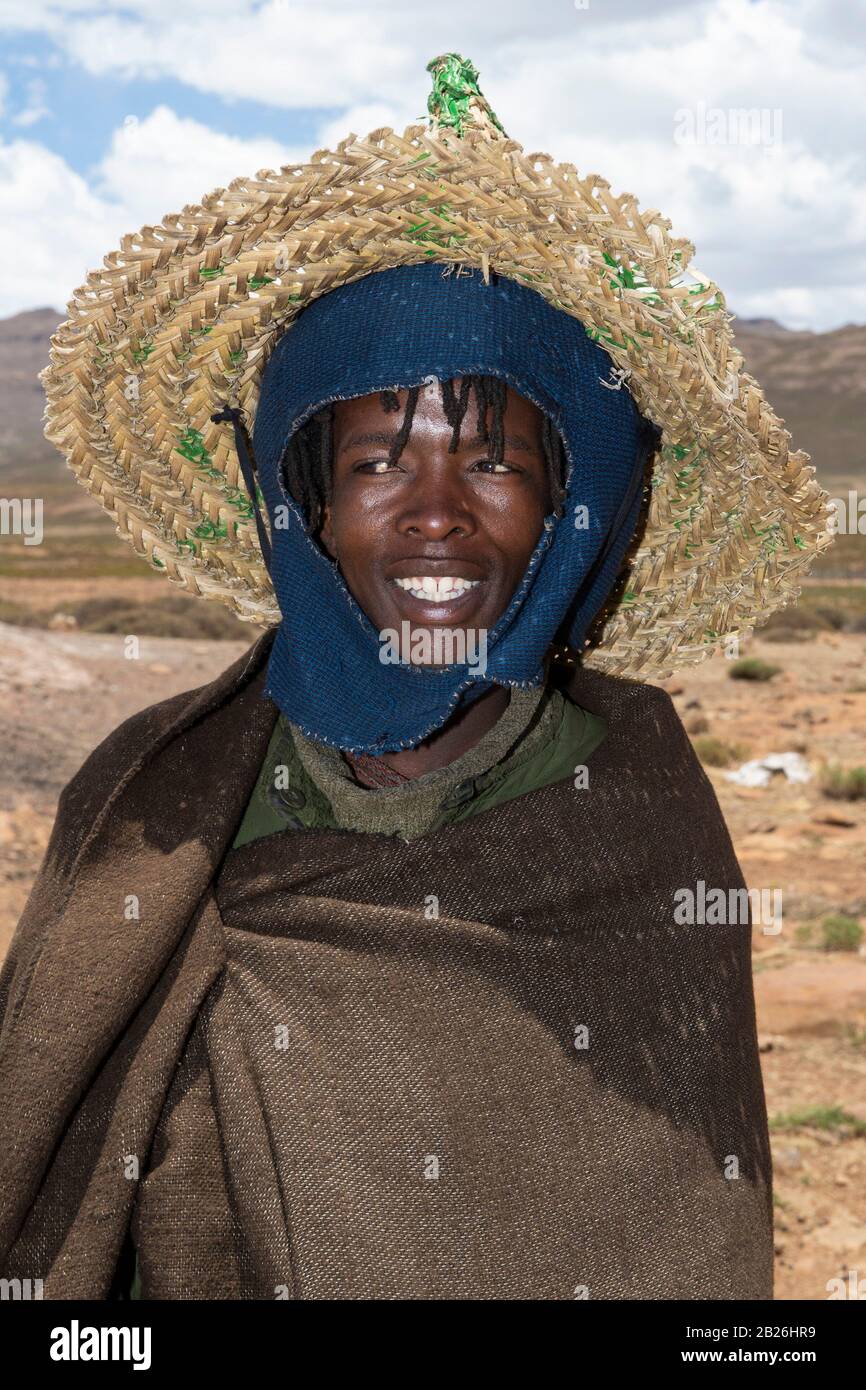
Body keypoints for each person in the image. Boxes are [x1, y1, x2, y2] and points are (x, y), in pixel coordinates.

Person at [0, 54, 832, 1300]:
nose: (434, 515)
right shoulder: (151, 797)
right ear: (305, 502)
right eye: (377, 463)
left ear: (568, 509)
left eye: (495, 463)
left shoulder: (630, 808)